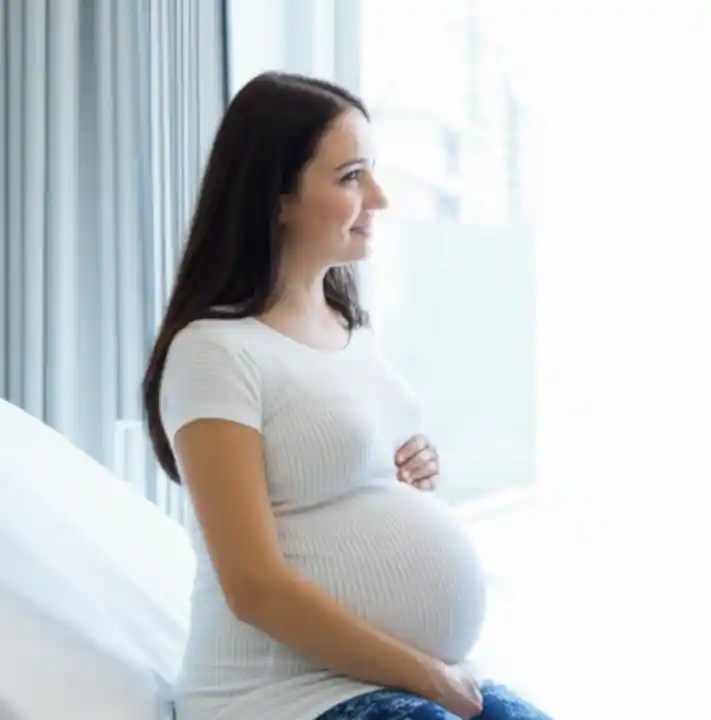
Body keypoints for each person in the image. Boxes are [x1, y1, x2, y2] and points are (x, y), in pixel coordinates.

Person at [142, 72, 550, 720]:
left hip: (384, 681)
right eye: (351, 176)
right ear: (276, 197)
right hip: (281, 699)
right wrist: (429, 676)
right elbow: (253, 587)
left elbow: (344, 476)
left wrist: (412, 470)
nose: (379, 199)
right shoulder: (214, 353)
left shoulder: (350, 328)